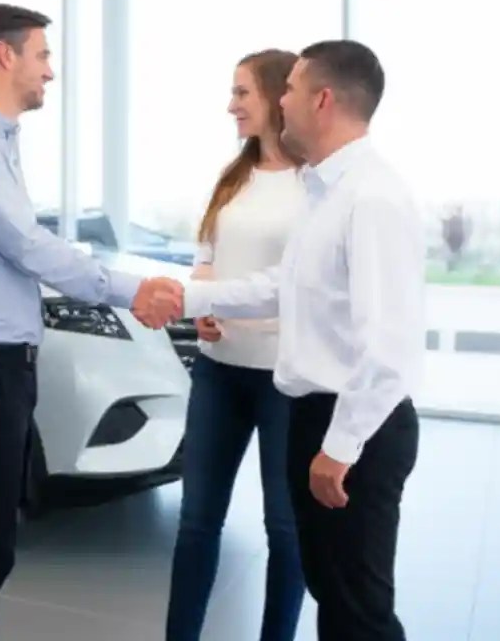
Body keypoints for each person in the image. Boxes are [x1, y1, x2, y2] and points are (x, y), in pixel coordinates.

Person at [0, 3, 181, 641]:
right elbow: (27, 245)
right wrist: (130, 290)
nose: (50, 72)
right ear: (4, 55)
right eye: (42, 55)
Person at [177, 39, 424, 641]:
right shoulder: (327, 191)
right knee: (334, 598)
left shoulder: (372, 196)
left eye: (288, 89)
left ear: (322, 99)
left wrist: (338, 448)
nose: (280, 100)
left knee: (358, 611)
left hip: (352, 423)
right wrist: (190, 299)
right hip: (313, 413)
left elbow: (390, 347)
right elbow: (282, 287)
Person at [165, 49, 308, 641]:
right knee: (197, 522)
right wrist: (204, 305)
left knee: (285, 528)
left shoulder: (315, 183)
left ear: (278, 96)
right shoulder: (233, 177)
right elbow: (206, 258)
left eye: (242, 93)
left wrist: (219, 298)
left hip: (285, 379)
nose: (231, 105)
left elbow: (303, 284)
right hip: (219, 373)